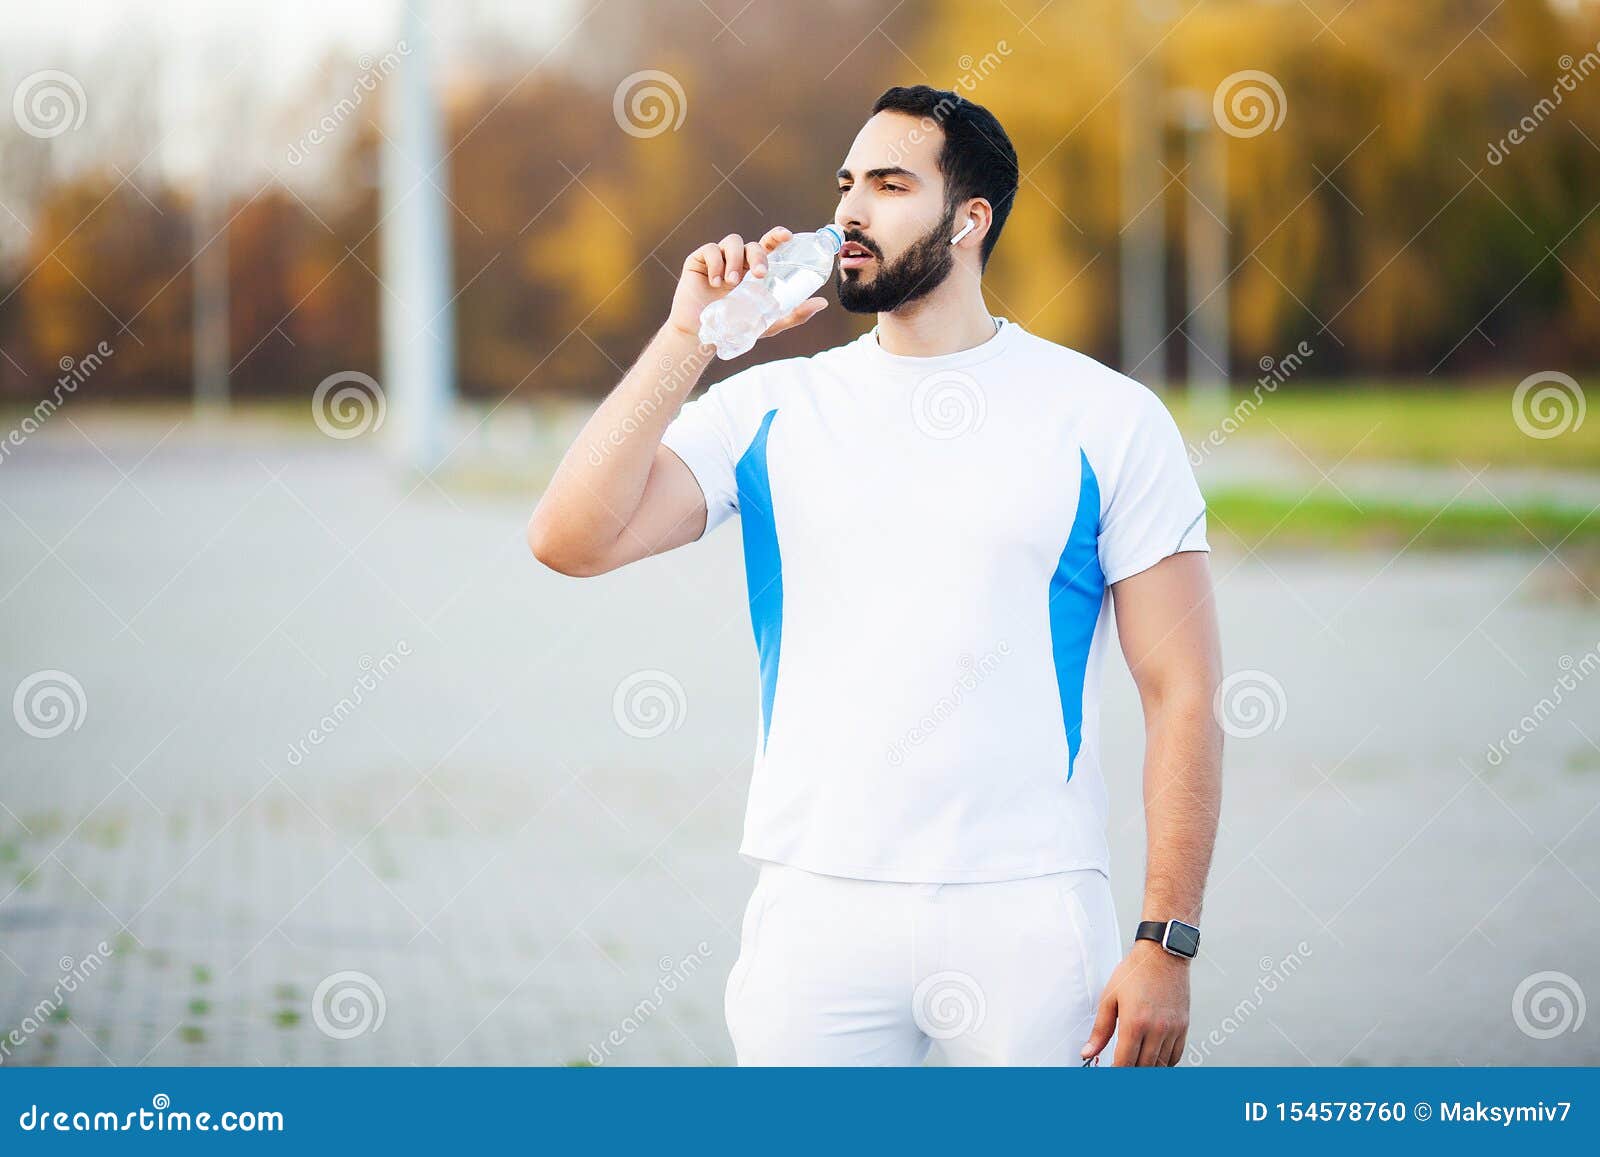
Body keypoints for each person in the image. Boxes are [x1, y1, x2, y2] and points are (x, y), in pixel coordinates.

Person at [528, 84, 1223, 1067]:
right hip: (816, 908)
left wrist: (1165, 941)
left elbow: (1183, 690)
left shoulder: (1105, 416)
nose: (850, 210)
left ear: (969, 217)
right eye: (846, 183)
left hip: (1027, 908)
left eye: (891, 184)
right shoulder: (768, 405)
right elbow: (568, 536)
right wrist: (691, 339)